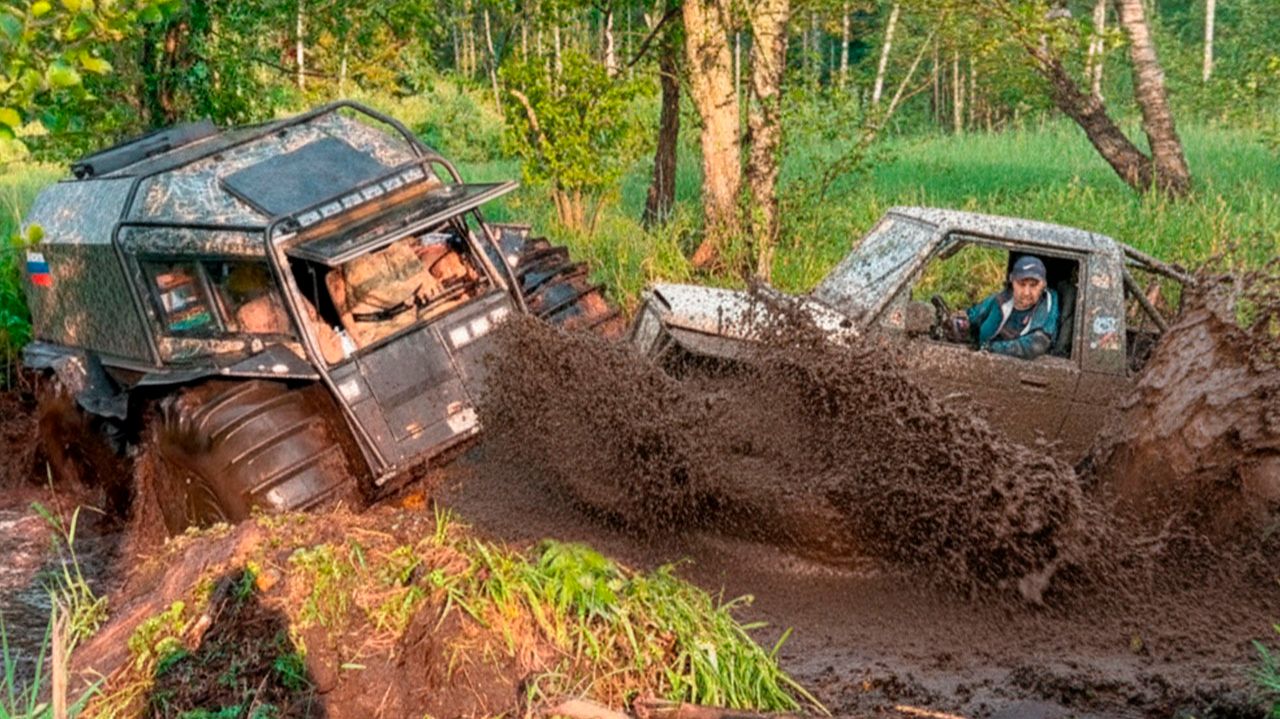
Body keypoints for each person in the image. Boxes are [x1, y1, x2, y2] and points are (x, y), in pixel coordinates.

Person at [962, 254, 1059, 360]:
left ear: (1043, 285)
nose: (1027, 292)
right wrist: (961, 322)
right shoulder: (1000, 300)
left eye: (1033, 285)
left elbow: (1036, 344)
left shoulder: (1047, 307)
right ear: (1012, 281)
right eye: (1021, 284)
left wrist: (991, 348)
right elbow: (972, 315)